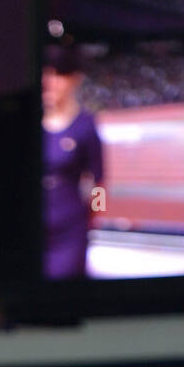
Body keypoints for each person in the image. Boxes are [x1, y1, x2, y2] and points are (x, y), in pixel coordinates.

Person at [41, 47, 103, 279]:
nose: (49, 82)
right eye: (45, 74)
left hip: (69, 231)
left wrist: (93, 217)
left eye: (58, 74)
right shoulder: (26, 123)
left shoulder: (85, 126)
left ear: (74, 80)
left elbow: (100, 181)